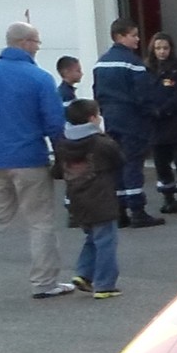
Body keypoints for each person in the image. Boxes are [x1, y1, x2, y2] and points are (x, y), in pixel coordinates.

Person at [0, 21, 74, 301]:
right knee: (40, 221)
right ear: (25, 43)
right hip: (29, 157)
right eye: (37, 42)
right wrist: (62, 154)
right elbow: (54, 122)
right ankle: (44, 282)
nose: (37, 48)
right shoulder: (40, 78)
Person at [92, 18, 165, 229]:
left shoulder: (101, 62)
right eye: (133, 35)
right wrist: (153, 113)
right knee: (132, 164)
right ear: (120, 36)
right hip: (132, 120)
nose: (137, 39)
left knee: (116, 166)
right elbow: (143, 95)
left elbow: (97, 92)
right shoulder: (134, 63)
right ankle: (137, 211)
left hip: (111, 119)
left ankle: (120, 211)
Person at [58, 98, 126, 299]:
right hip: (101, 198)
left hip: (77, 199)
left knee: (92, 237)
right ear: (92, 119)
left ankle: (84, 273)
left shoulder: (63, 143)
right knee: (106, 241)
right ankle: (105, 284)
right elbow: (119, 160)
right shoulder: (101, 143)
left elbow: (57, 171)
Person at [146, 31, 177, 213]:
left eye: (165, 48)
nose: (162, 52)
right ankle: (168, 196)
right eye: (158, 48)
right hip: (156, 125)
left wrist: (164, 109)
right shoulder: (147, 69)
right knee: (161, 163)